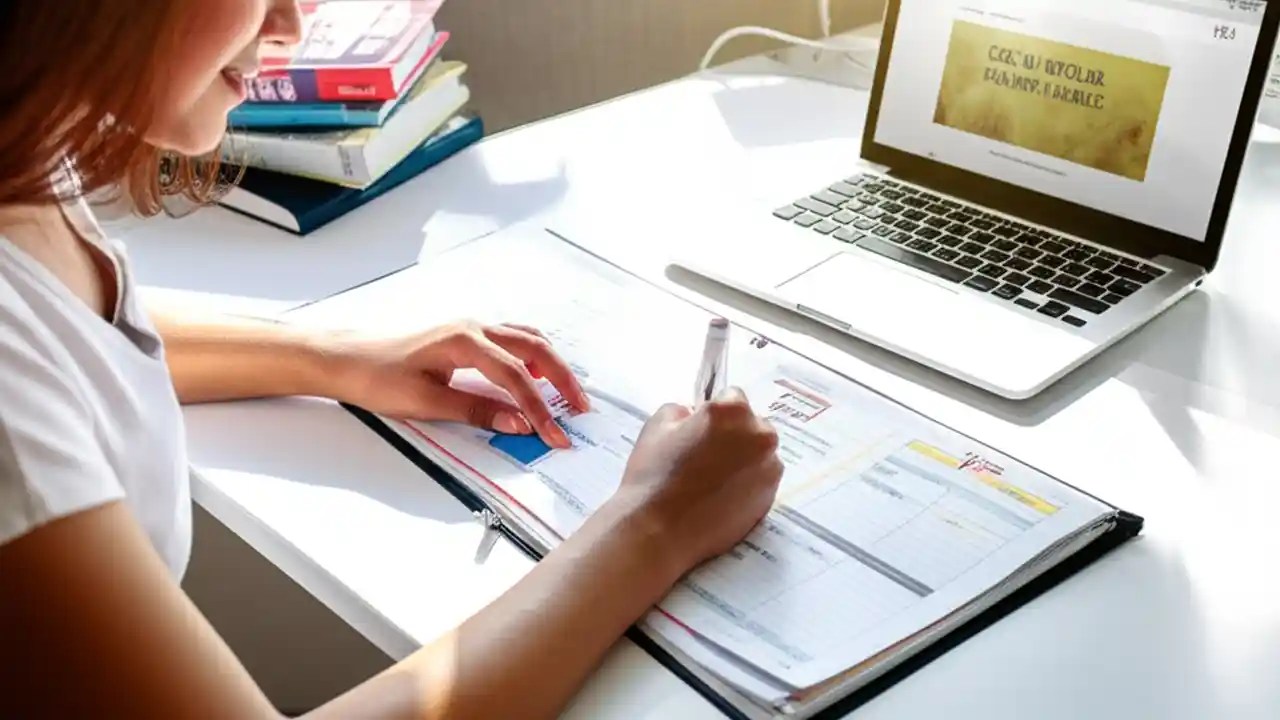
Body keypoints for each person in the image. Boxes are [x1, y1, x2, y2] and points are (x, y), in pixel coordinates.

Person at [0, 2, 785, 718]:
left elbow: (67, 340)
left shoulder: (29, 141)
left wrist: (333, 356)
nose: (289, 26)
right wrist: (652, 524)